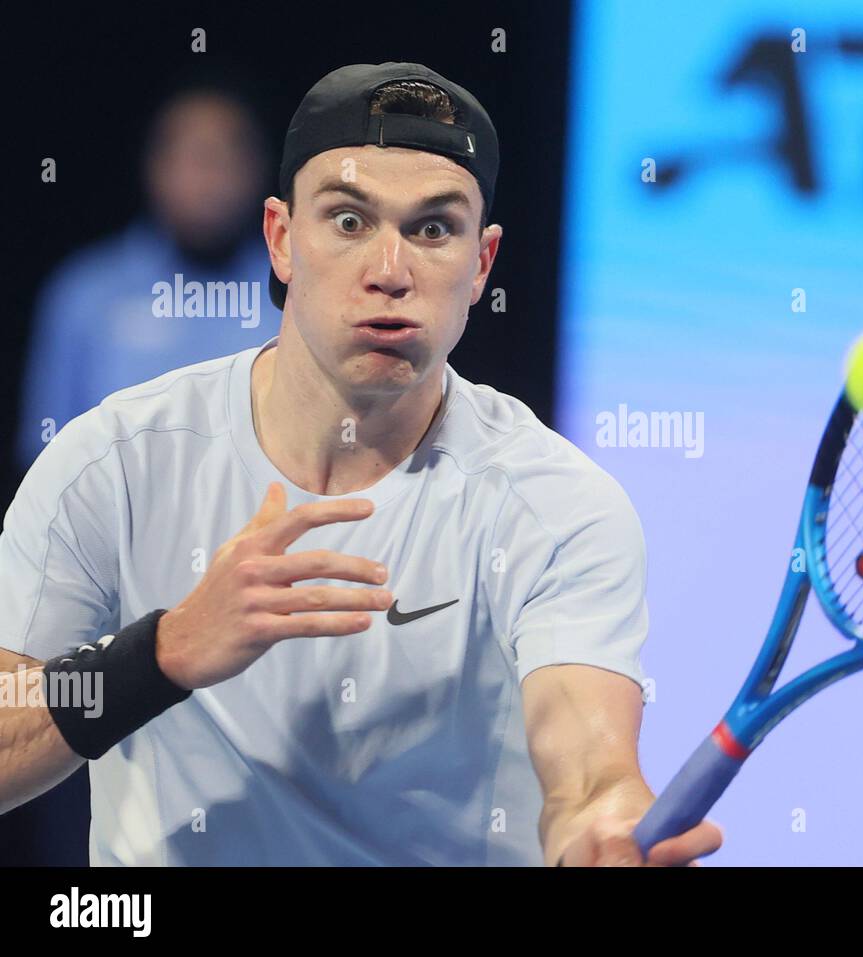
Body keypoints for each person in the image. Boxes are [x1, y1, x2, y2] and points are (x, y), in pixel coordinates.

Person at [0, 62, 722, 866]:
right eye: (349, 221)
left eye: (434, 229)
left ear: (482, 265)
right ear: (281, 239)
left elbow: (589, 768)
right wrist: (162, 652)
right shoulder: (110, 462)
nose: (390, 270)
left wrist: (604, 825)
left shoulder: (557, 504)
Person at [16, 81, 277, 468]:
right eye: (194, 156)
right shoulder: (84, 291)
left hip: (270, 517)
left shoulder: (299, 291)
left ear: (258, 169)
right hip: (114, 523)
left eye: (226, 155)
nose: (209, 178)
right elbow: (44, 455)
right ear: (154, 167)